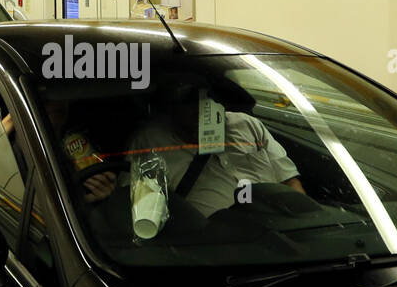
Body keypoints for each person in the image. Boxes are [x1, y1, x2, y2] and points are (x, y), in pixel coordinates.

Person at [128, 82, 305, 219]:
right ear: (171, 106)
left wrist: (304, 219)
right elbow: (138, 208)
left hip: (279, 227)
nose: (202, 108)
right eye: (189, 100)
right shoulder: (150, 140)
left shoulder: (247, 125)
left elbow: (289, 181)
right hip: (214, 246)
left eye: (208, 98)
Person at [1, 100, 116, 203]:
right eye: (45, 99)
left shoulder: (77, 140)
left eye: (61, 97)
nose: (56, 102)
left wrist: (94, 196)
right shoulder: (15, 155)